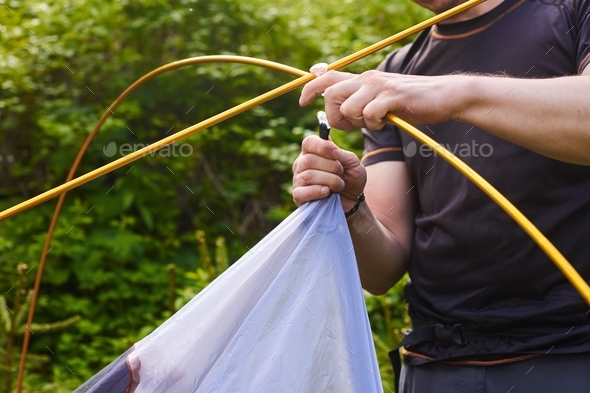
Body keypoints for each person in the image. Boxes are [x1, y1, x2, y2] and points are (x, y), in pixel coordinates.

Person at [292, 0, 590, 391]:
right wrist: (349, 204)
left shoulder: (571, 10)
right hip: (436, 362)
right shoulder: (397, 72)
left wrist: (455, 95)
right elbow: (382, 271)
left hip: (569, 353)